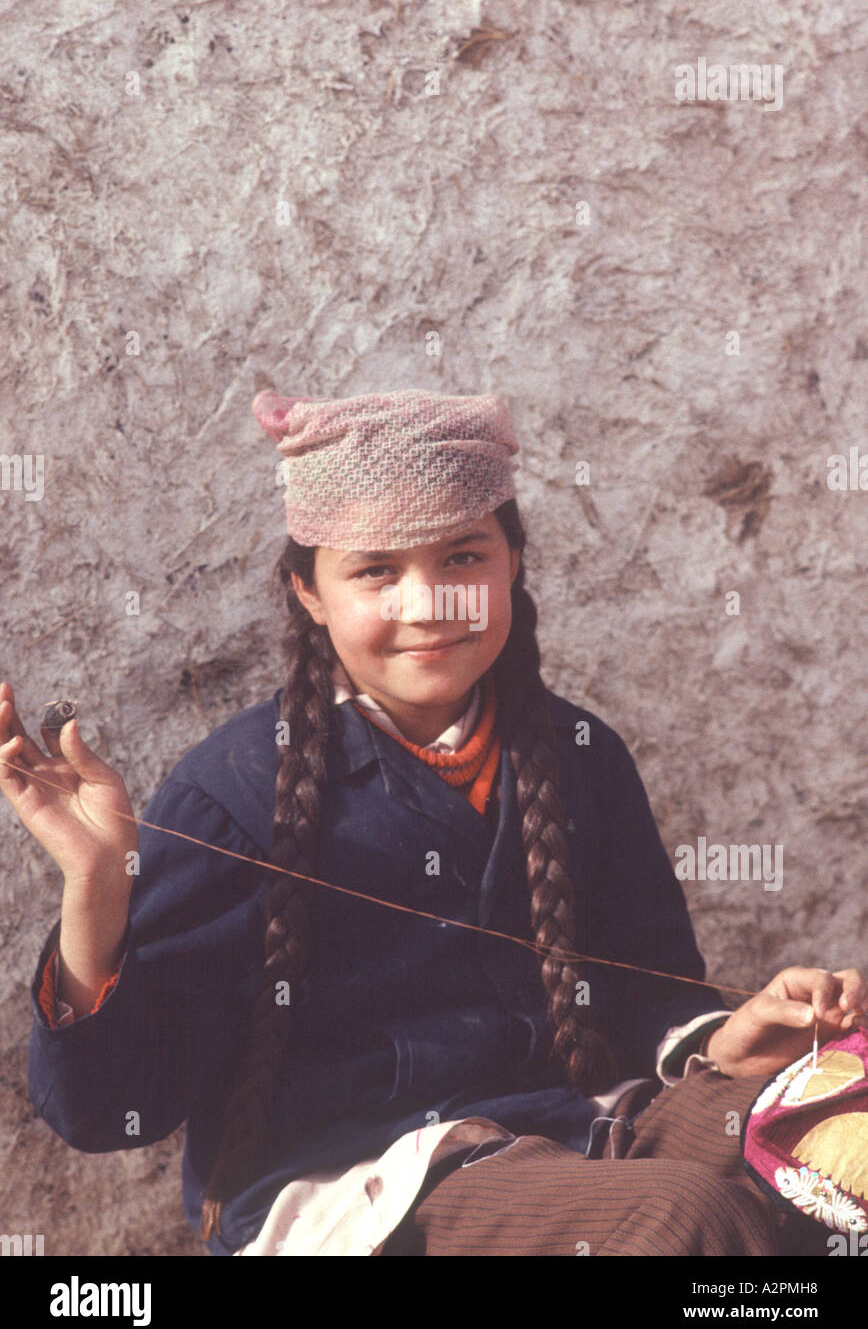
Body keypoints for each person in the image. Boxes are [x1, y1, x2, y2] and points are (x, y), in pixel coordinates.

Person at [2, 387, 864, 1257]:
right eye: (376, 570)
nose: (429, 605)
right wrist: (98, 891)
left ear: (514, 562)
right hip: (363, 1189)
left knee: (840, 1124)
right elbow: (111, 1112)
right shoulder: (233, 796)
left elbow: (645, 992)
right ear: (307, 590)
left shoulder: (576, 752)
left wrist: (725, 1034)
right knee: (686, 1220)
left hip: (589, 1127)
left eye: (462, 559)